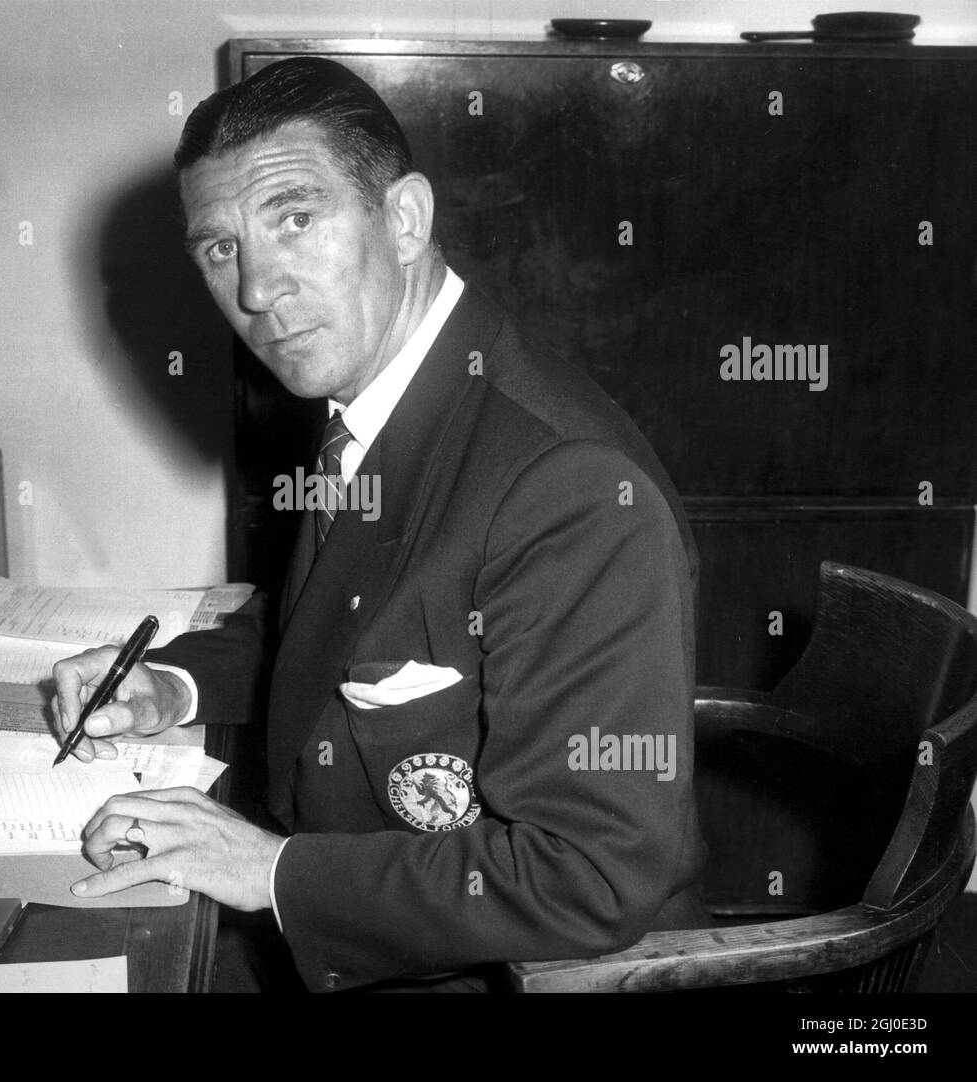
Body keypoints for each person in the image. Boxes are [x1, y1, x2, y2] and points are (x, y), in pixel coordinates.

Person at [53, 57, 707, 992]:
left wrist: (265, 869)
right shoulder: (385, 392)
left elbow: (590, 878)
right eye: (220, 248)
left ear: (404, 220)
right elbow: (338, 630)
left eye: (295, 219)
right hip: (358, 899)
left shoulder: (566, 487)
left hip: (500, 969)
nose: (257, 292)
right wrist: (170, 687)